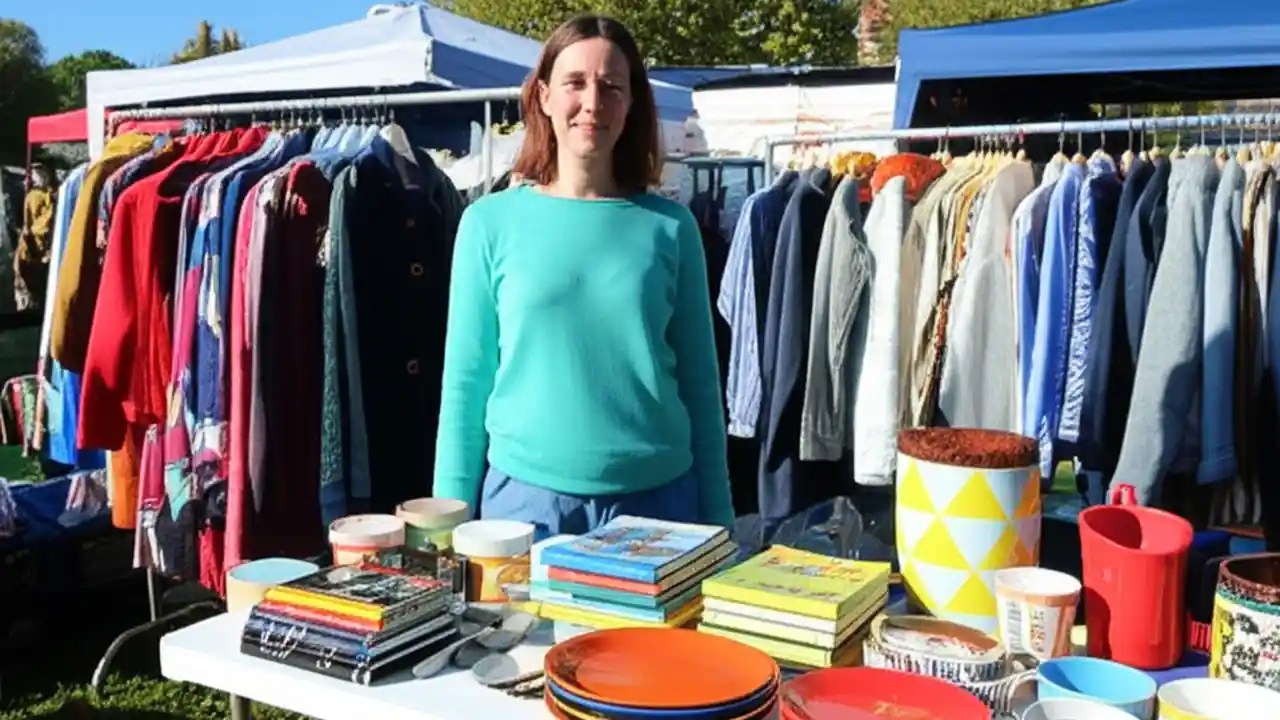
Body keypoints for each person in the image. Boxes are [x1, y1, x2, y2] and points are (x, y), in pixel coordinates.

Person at [432, 14, 734, 538]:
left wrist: (720, 525)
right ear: (544, 96)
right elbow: (465, 385)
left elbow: (701, 388)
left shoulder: (671, 228)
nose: (593, 102)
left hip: (660, 509)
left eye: (611, 86)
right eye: (575, 82)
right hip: (526, 512)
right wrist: (445, 530)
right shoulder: (488, 224)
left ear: (631, 103)